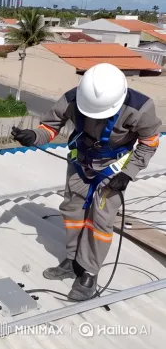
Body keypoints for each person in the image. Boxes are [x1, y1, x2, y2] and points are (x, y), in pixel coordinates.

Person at [11, 63, 162, 301]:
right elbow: (50, 126)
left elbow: (150, 141)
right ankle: (72, 260)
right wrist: (34, 136)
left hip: (114, 167)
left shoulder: (140, 108)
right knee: (72, 211)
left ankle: (89, 271)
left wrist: (128, 173)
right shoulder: (73, 99)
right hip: (81, 162)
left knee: (100, 221)